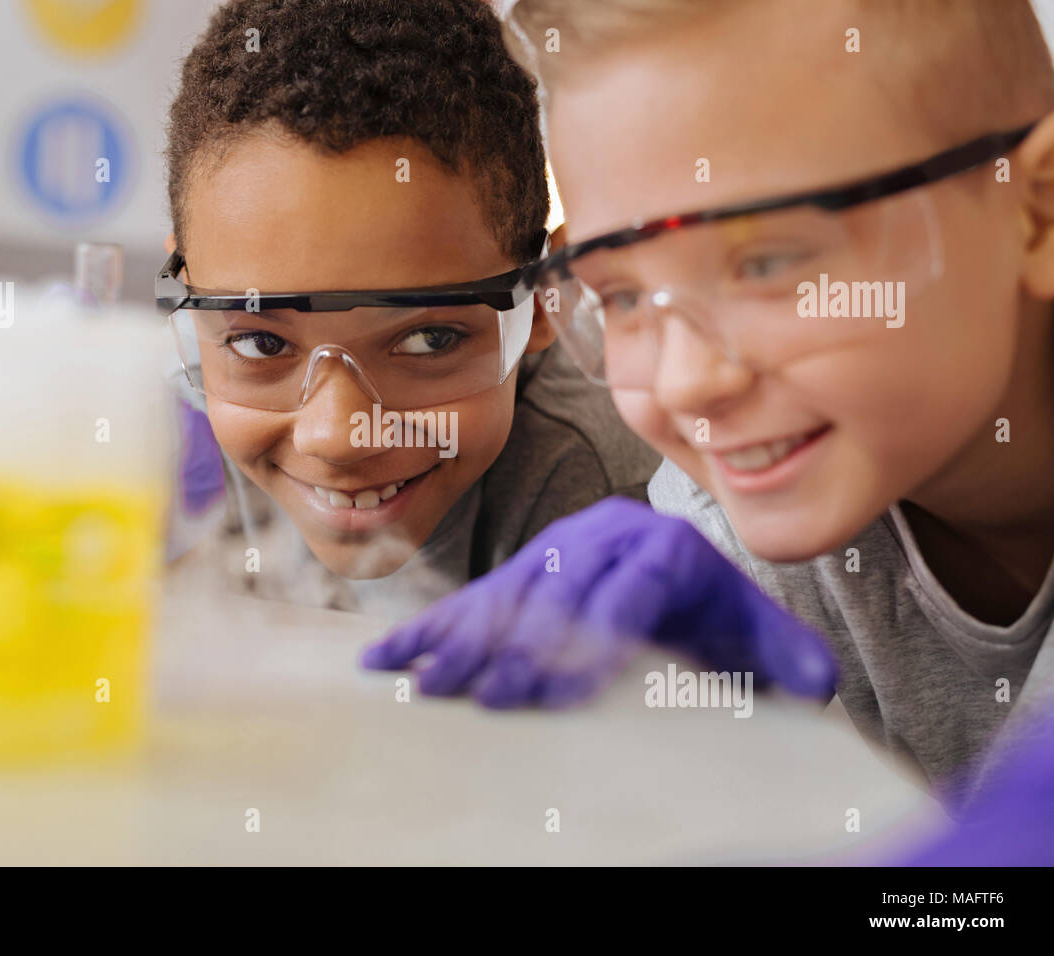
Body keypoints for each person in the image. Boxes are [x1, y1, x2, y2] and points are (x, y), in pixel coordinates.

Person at [365, 0, 1054, 803]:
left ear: (1034, 212)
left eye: (765, 264)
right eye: (619, 295)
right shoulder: (741, 511)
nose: (688, 383)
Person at [157, 0, 658, 619]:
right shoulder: (147, 451)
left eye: (429, 340)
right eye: (261, 343)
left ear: (550, 295)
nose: (338, 436)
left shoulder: (606, 512)